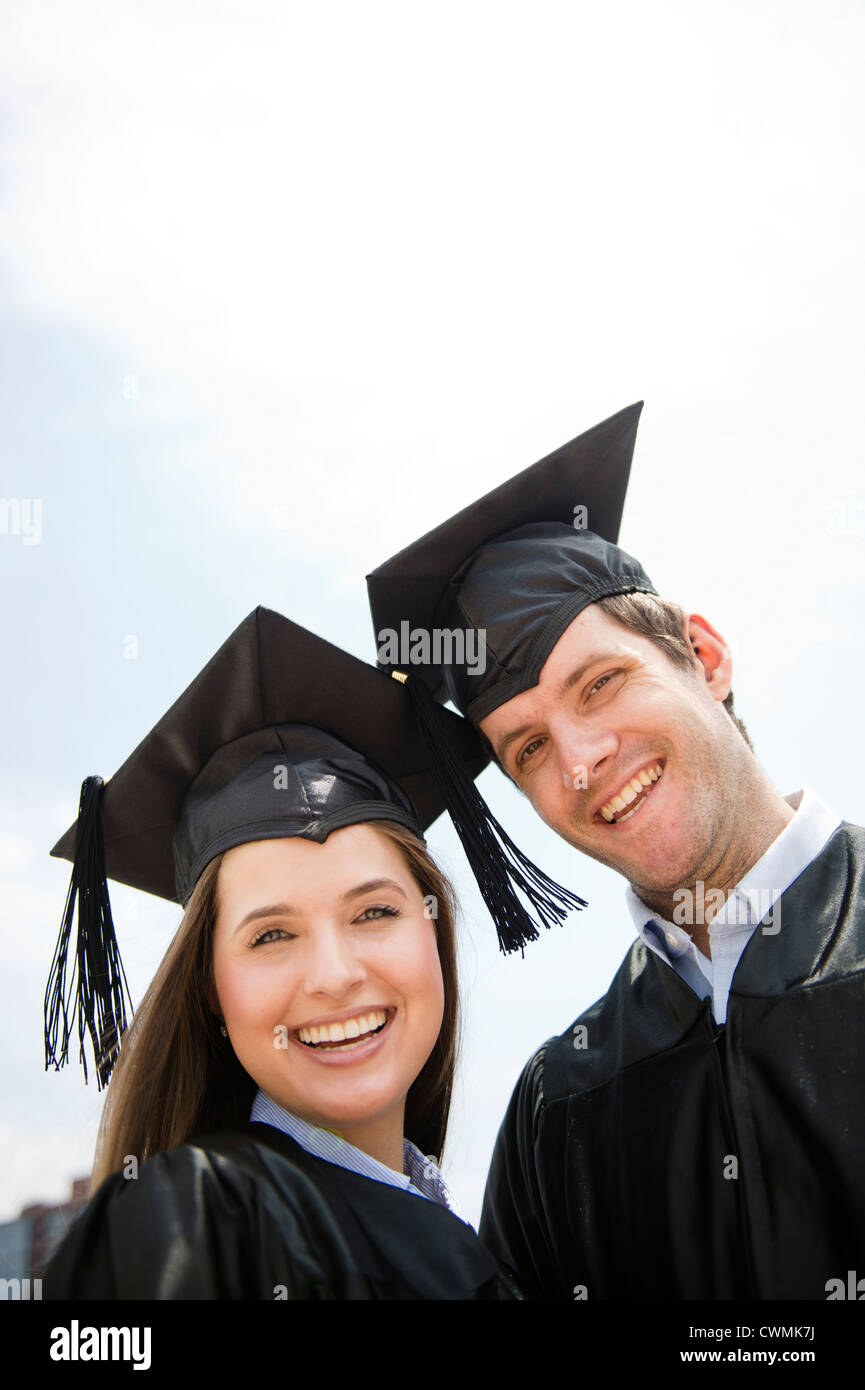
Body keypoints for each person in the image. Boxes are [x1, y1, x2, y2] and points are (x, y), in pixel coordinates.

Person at [366, 401, 865, 1299]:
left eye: (600, 683)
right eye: (528, 749)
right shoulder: (560, 1106)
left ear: (704, 659)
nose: (582, 760)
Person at [41, 606, 521, 1300]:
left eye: (375, 912)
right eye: (271, 934)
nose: (334, 974)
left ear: (432, 927)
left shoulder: (475, 1250)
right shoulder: (188, 1224)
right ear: (209, 988)